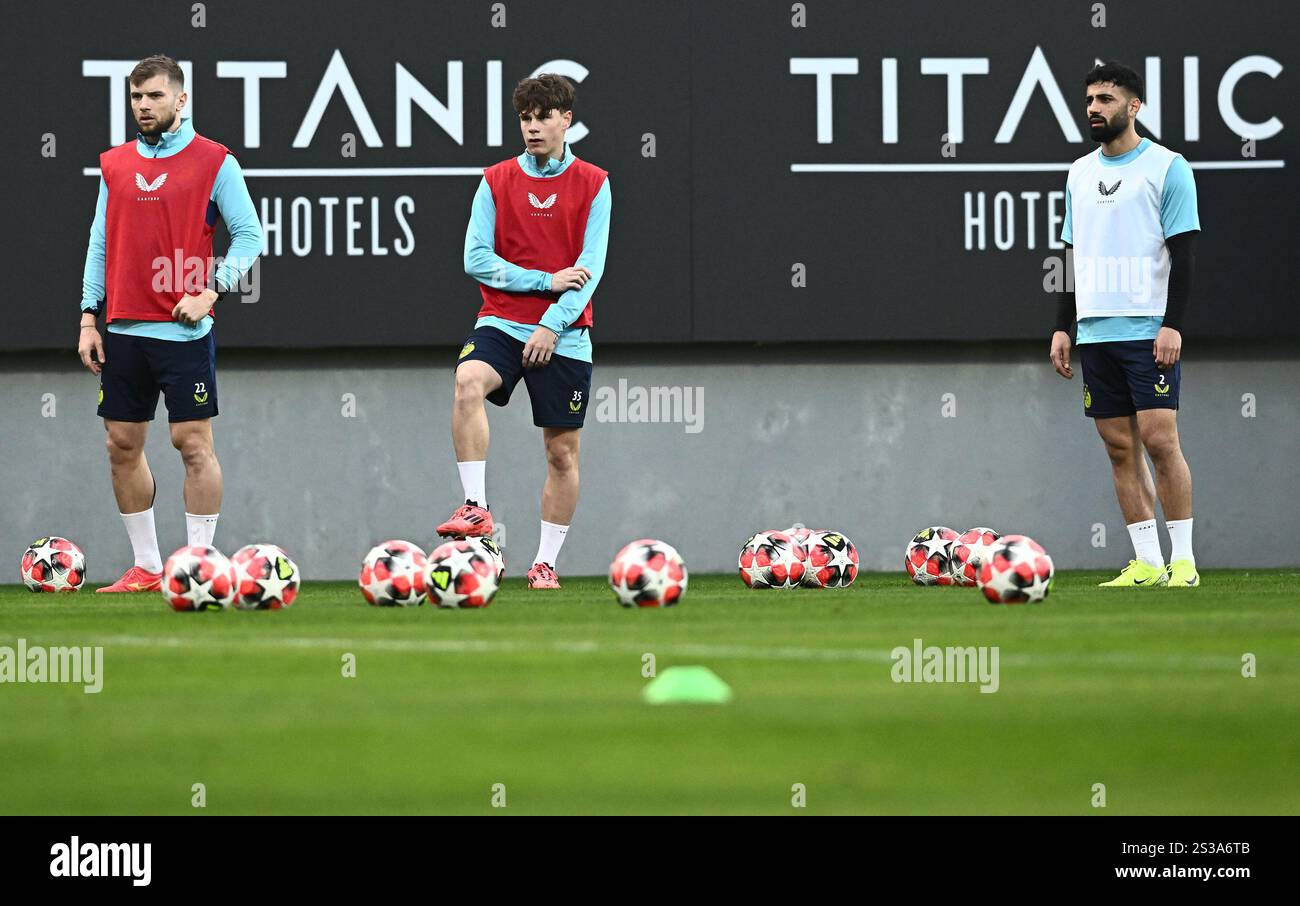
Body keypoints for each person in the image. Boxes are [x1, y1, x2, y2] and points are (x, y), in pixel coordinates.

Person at [78, 54, 263, 592]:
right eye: (136, 97)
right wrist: (90, 317)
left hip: (184, 333)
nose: (144, 106)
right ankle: (147, 565)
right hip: (122, 331)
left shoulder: (214, 161)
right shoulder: (114, 164)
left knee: (192, 443)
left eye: (155, 96)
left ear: (181, 100)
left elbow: (250, 235)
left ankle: (199, 567)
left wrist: (212, 291)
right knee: (121, 444)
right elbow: (99, 242)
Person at [435, 73, 611, 590]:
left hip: (565, 335)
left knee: (561, 453)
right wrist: (542, 281)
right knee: (467, 382)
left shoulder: (595, 183)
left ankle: (545, 564)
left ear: (566, 120)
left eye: (542, 117)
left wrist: (552, 324)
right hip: (500, 323)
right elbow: (475, 259)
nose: (532, 127)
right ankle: (476, 508)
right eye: (525, 119)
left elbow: (590, 270)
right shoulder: (495, 180)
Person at [1050, 62, 1200, 588]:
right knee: (1119, 448)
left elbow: (1184, 257)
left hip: (1148, 332)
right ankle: (1147, 563)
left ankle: (1182, 561)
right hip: (1095, 334)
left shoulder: (1168, 167)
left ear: (1133, 107)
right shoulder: (1078, 173)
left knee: (1160, 440)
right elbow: (1069, 255)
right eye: (1090, 98)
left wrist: (1172, 325)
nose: (1094, 108)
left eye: (1106, 99)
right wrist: (1064, 326)